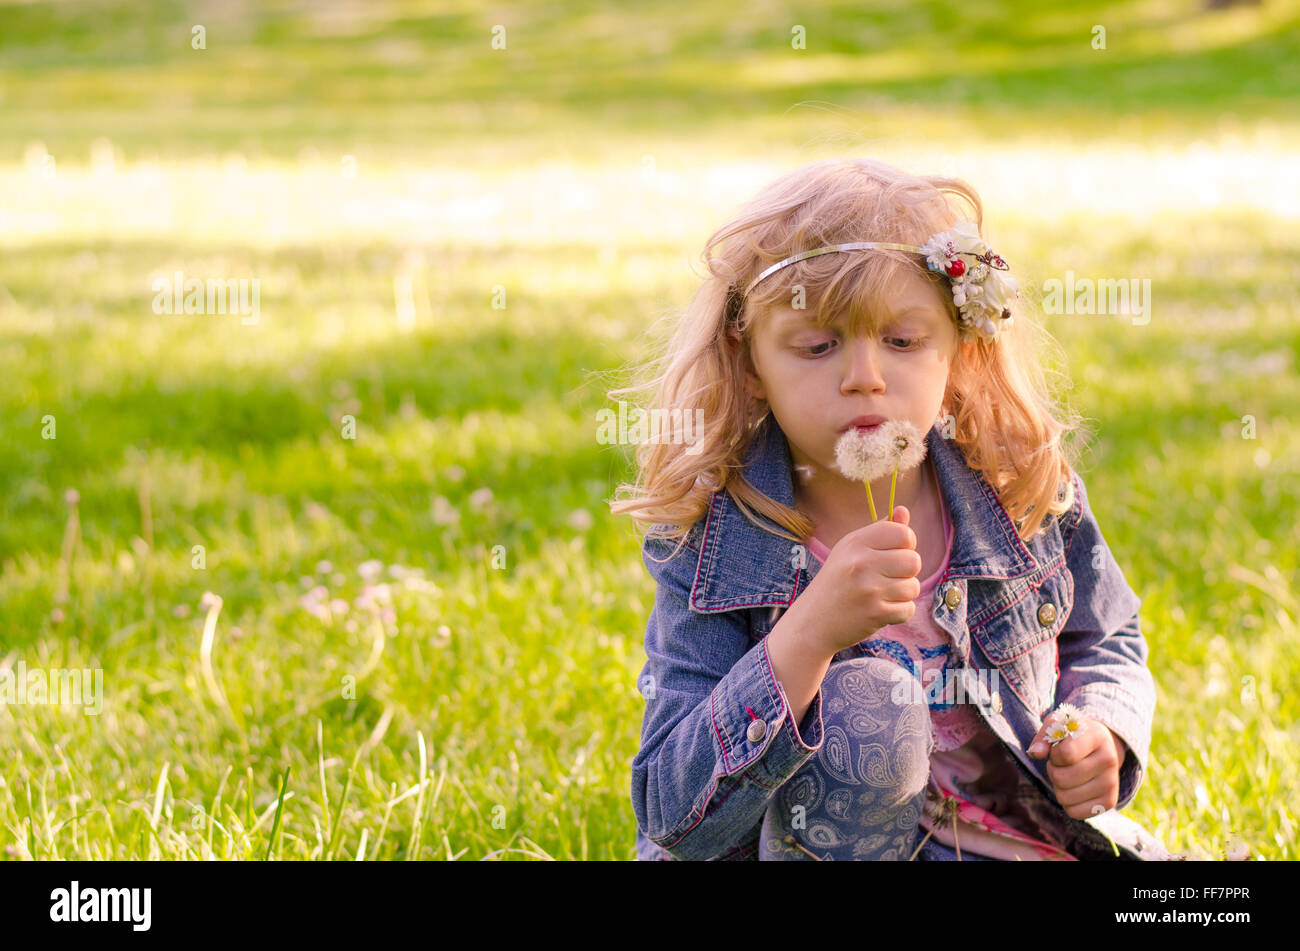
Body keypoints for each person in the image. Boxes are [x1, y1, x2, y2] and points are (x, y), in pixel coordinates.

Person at [612, 157, 1176, 861]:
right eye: (816, 346)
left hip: (1005, 838)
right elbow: (671, 812)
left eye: (904, 341)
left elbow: (1108, 635)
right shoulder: (713, 542)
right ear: (750, 361)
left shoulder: (1020, 489)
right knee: (870, 704)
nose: (864, 378)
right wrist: (808, 634)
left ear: (961, 349)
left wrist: (1102, 731)